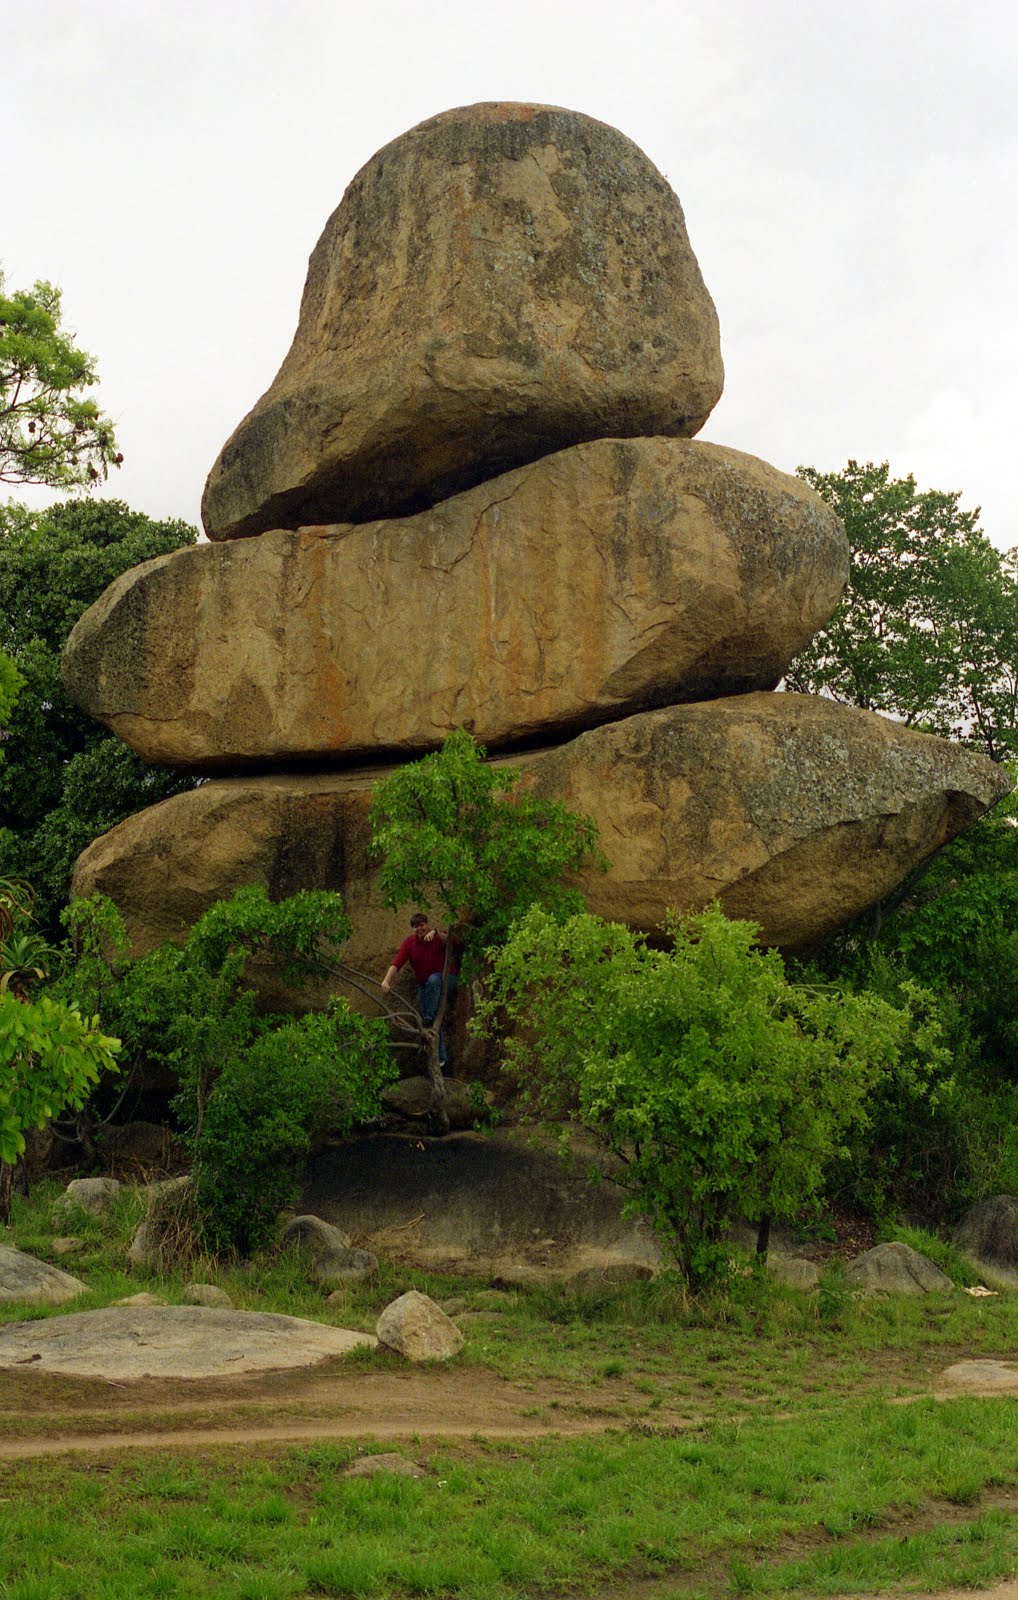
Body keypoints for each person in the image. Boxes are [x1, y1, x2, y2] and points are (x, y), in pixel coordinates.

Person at [381, 912, 459, 1068]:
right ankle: (441, 1059)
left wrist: (436, 932)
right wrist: (386, 981)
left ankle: (429, 1017)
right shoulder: (410, 943)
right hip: (425, 987)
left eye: (421, 925)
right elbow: (397, 963)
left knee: (434, 980)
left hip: (446, 981)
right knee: (431, 1025)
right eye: (415, 927)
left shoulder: (437, 936)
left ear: (427, 924)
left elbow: (456, 943)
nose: (419, 929)